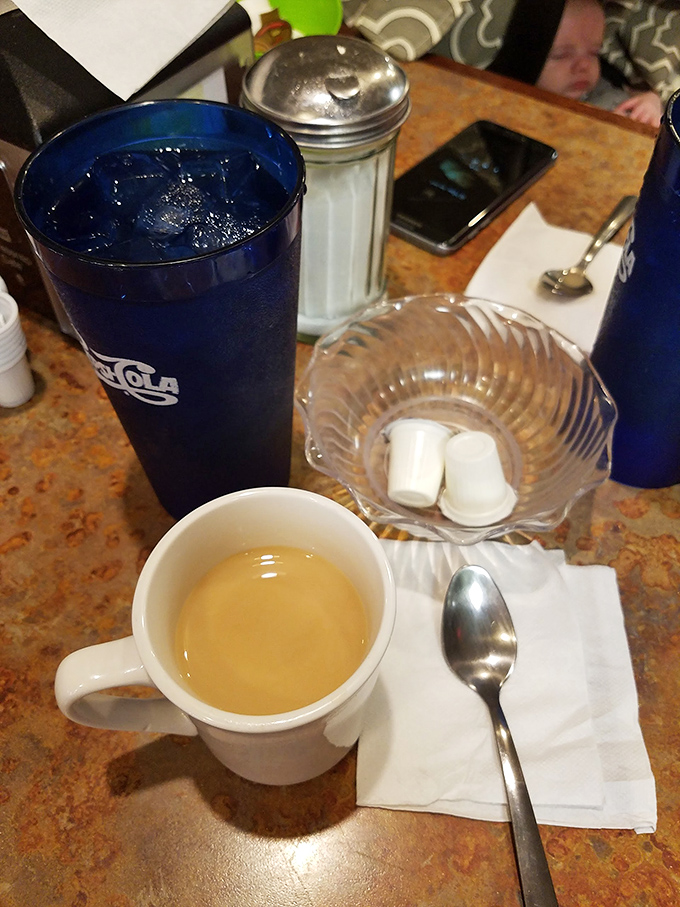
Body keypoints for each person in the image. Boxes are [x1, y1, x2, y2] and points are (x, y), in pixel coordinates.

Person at [535, 0, 662, 125]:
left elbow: (631, 97)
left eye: (594, 53)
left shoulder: (606, 96)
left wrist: (651, 105)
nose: (585, 65)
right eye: (562, 55)